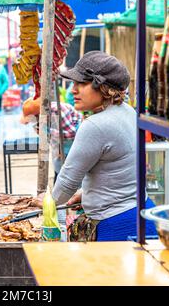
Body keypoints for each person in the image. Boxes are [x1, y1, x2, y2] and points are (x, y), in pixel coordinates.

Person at [51, 51, 157, 241]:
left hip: (118, 225)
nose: (73, 90)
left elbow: (67, 182)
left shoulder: (94, 125)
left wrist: (44, 204)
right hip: (143, 212)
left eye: (81, 83)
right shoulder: (128, 112)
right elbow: (121, 170)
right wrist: (88, 194)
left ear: (104, 88)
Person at [21, 97, 82, 184]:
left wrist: (47, 131)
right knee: (59, 175)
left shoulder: (59, 110)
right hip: (61, 147)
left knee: (72, 178)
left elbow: (71, 133)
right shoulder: (42, 117)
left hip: (74, 144)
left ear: (37, 114)